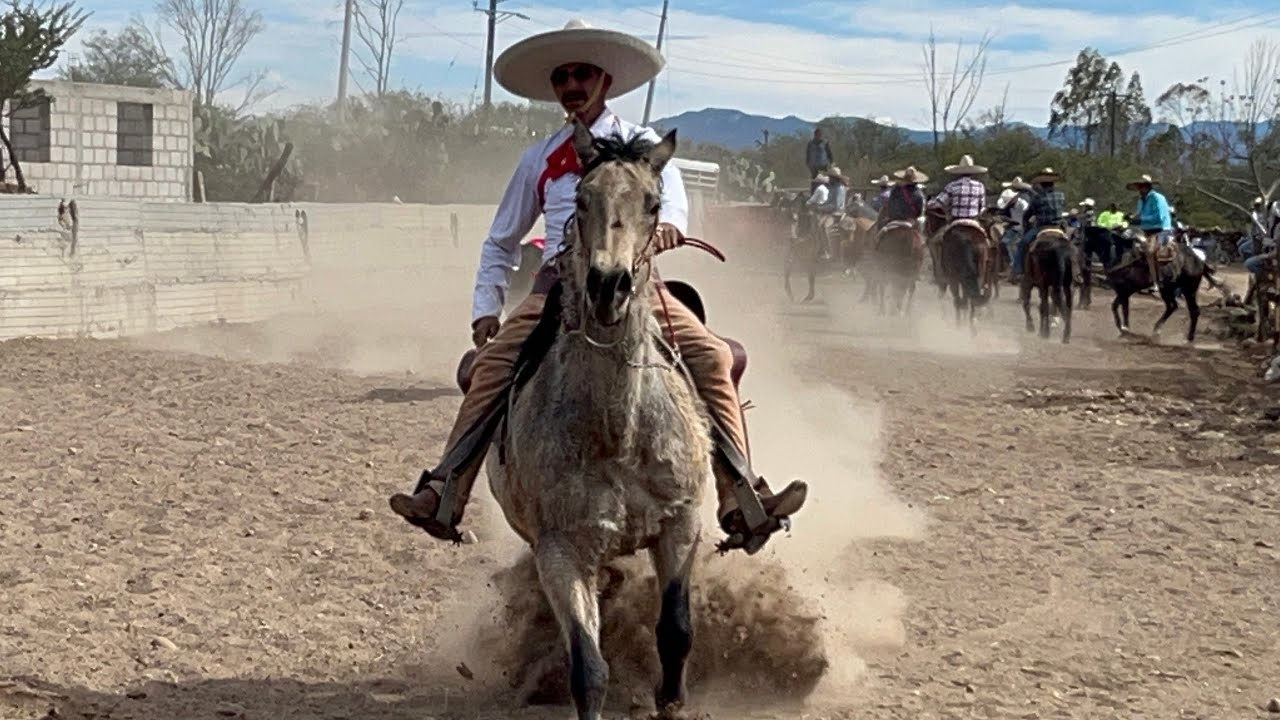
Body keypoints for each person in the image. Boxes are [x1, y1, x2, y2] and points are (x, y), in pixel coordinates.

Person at [388, 19, 807, 549]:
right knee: (492, 364)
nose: (571, 85)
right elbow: (501, 239)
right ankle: (446, 489)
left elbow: (672, 203)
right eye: (562, 77)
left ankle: (742, 492)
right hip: (556, 286)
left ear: (605, 80)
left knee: (711, 356)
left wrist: (670, 226)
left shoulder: (645, 146)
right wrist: (486, 306)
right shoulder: (539, 158)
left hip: (635, 284)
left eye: (581, 73)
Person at [1013, 167, 1066, 282]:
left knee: (1023, 244)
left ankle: (1018, 271)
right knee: (1073, 248)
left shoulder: (1037, 197)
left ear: (1041, 184)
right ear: (1053, 183)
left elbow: (1028, 214)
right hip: (1058, 227)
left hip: (1042, 228)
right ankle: (1077, 272)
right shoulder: (1061, 195)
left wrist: (1026, 224)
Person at [1128, 174, 1173, 290]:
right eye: (1139, 187)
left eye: (1141, 187)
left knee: (1150, 250)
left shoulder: (1158, 198)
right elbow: (1139, 214)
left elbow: (1160, 216)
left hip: (1161, 229)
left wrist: (1140, 219)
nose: (1140, 190)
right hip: (1145, 230)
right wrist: (1130, 218)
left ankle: (1156, 281)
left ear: (1147, 187)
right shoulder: (1140, 201)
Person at [997, 177, 1032, 277]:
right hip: (1015, 227)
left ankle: (1015, 267)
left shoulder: (1023, 203)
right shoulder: (1018, 201)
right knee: (1004, 243)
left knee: (1011, 244)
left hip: (1021, 228)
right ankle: (1010, 266)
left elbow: (1024, 216)